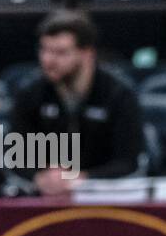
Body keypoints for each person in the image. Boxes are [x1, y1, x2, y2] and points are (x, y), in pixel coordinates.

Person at [11, 10, 144, 196]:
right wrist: (40, 178)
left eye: (60, 52)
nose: (48, 60)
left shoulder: (118, 94)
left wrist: (82, 178)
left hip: (105, 200)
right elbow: (16, 158)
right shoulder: (30, 93)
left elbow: (129, 162)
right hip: (44, 198)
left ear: (87, 53)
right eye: (44, 50)